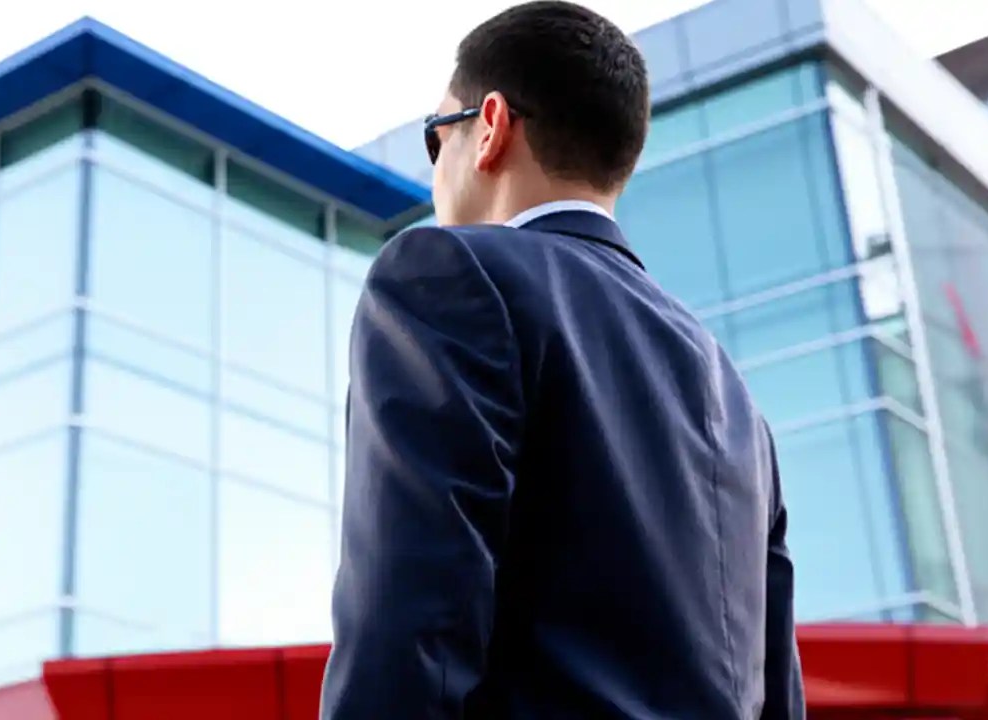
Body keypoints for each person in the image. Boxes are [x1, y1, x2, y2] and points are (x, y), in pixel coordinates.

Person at [319, 2, 805, 719]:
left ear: (488, 127)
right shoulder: (733, 395)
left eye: (435, 139)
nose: (435, 174)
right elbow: (778, 696)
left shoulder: (448, 273)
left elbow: (409, 616)